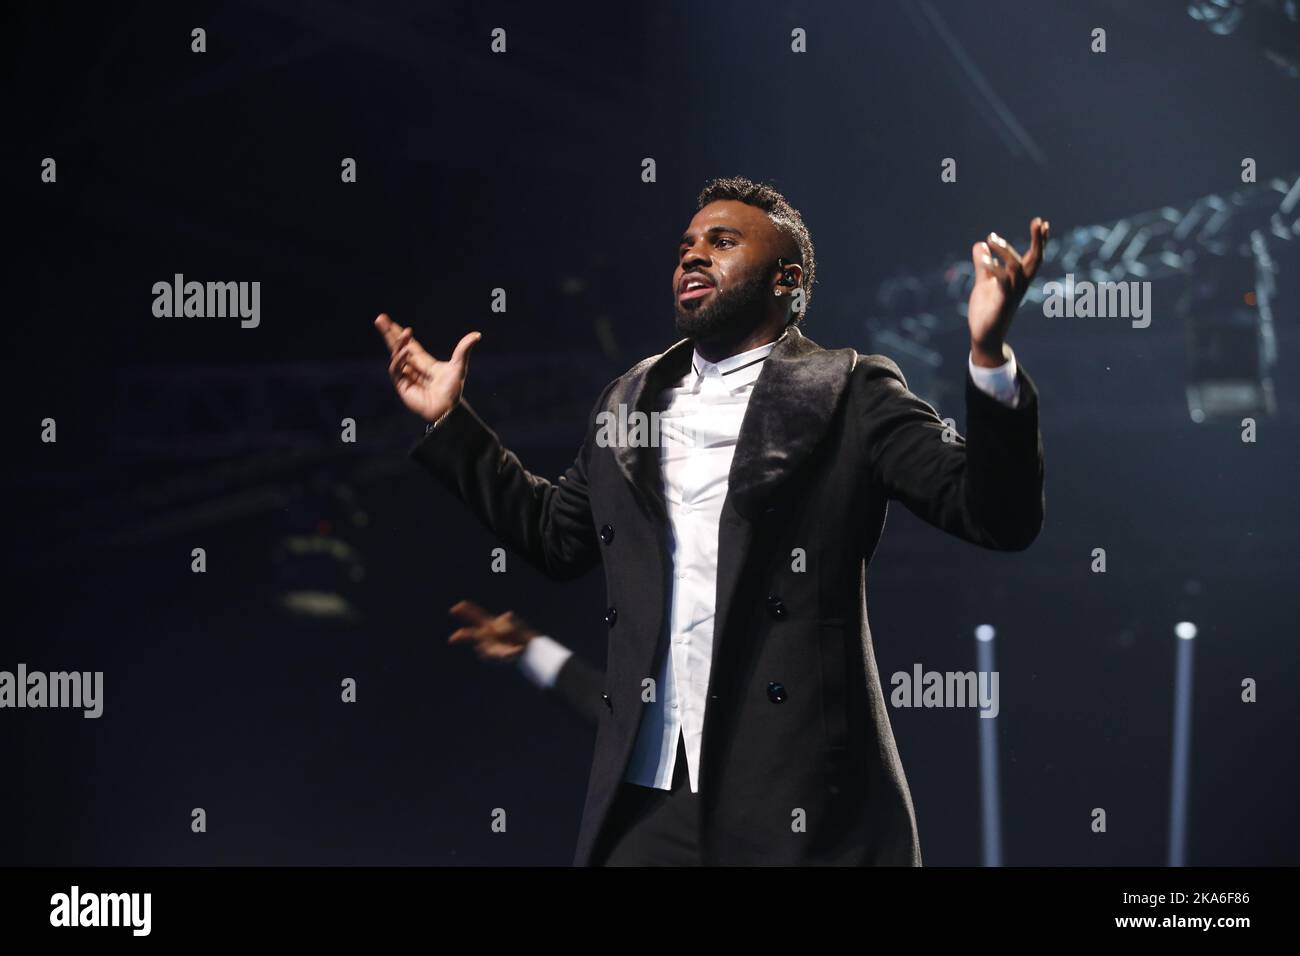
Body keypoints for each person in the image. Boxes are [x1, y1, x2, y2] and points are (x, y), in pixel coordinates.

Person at [376, 175, 1048, 865]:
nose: (692, 256)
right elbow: (556, 538)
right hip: (651, 796)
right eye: (685, 246)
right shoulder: (630, 402)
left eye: (722, 243)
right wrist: (452, 425)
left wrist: (989, 359)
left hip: (797, 802)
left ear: (786, 281)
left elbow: (996, 516)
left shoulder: (850, 390)